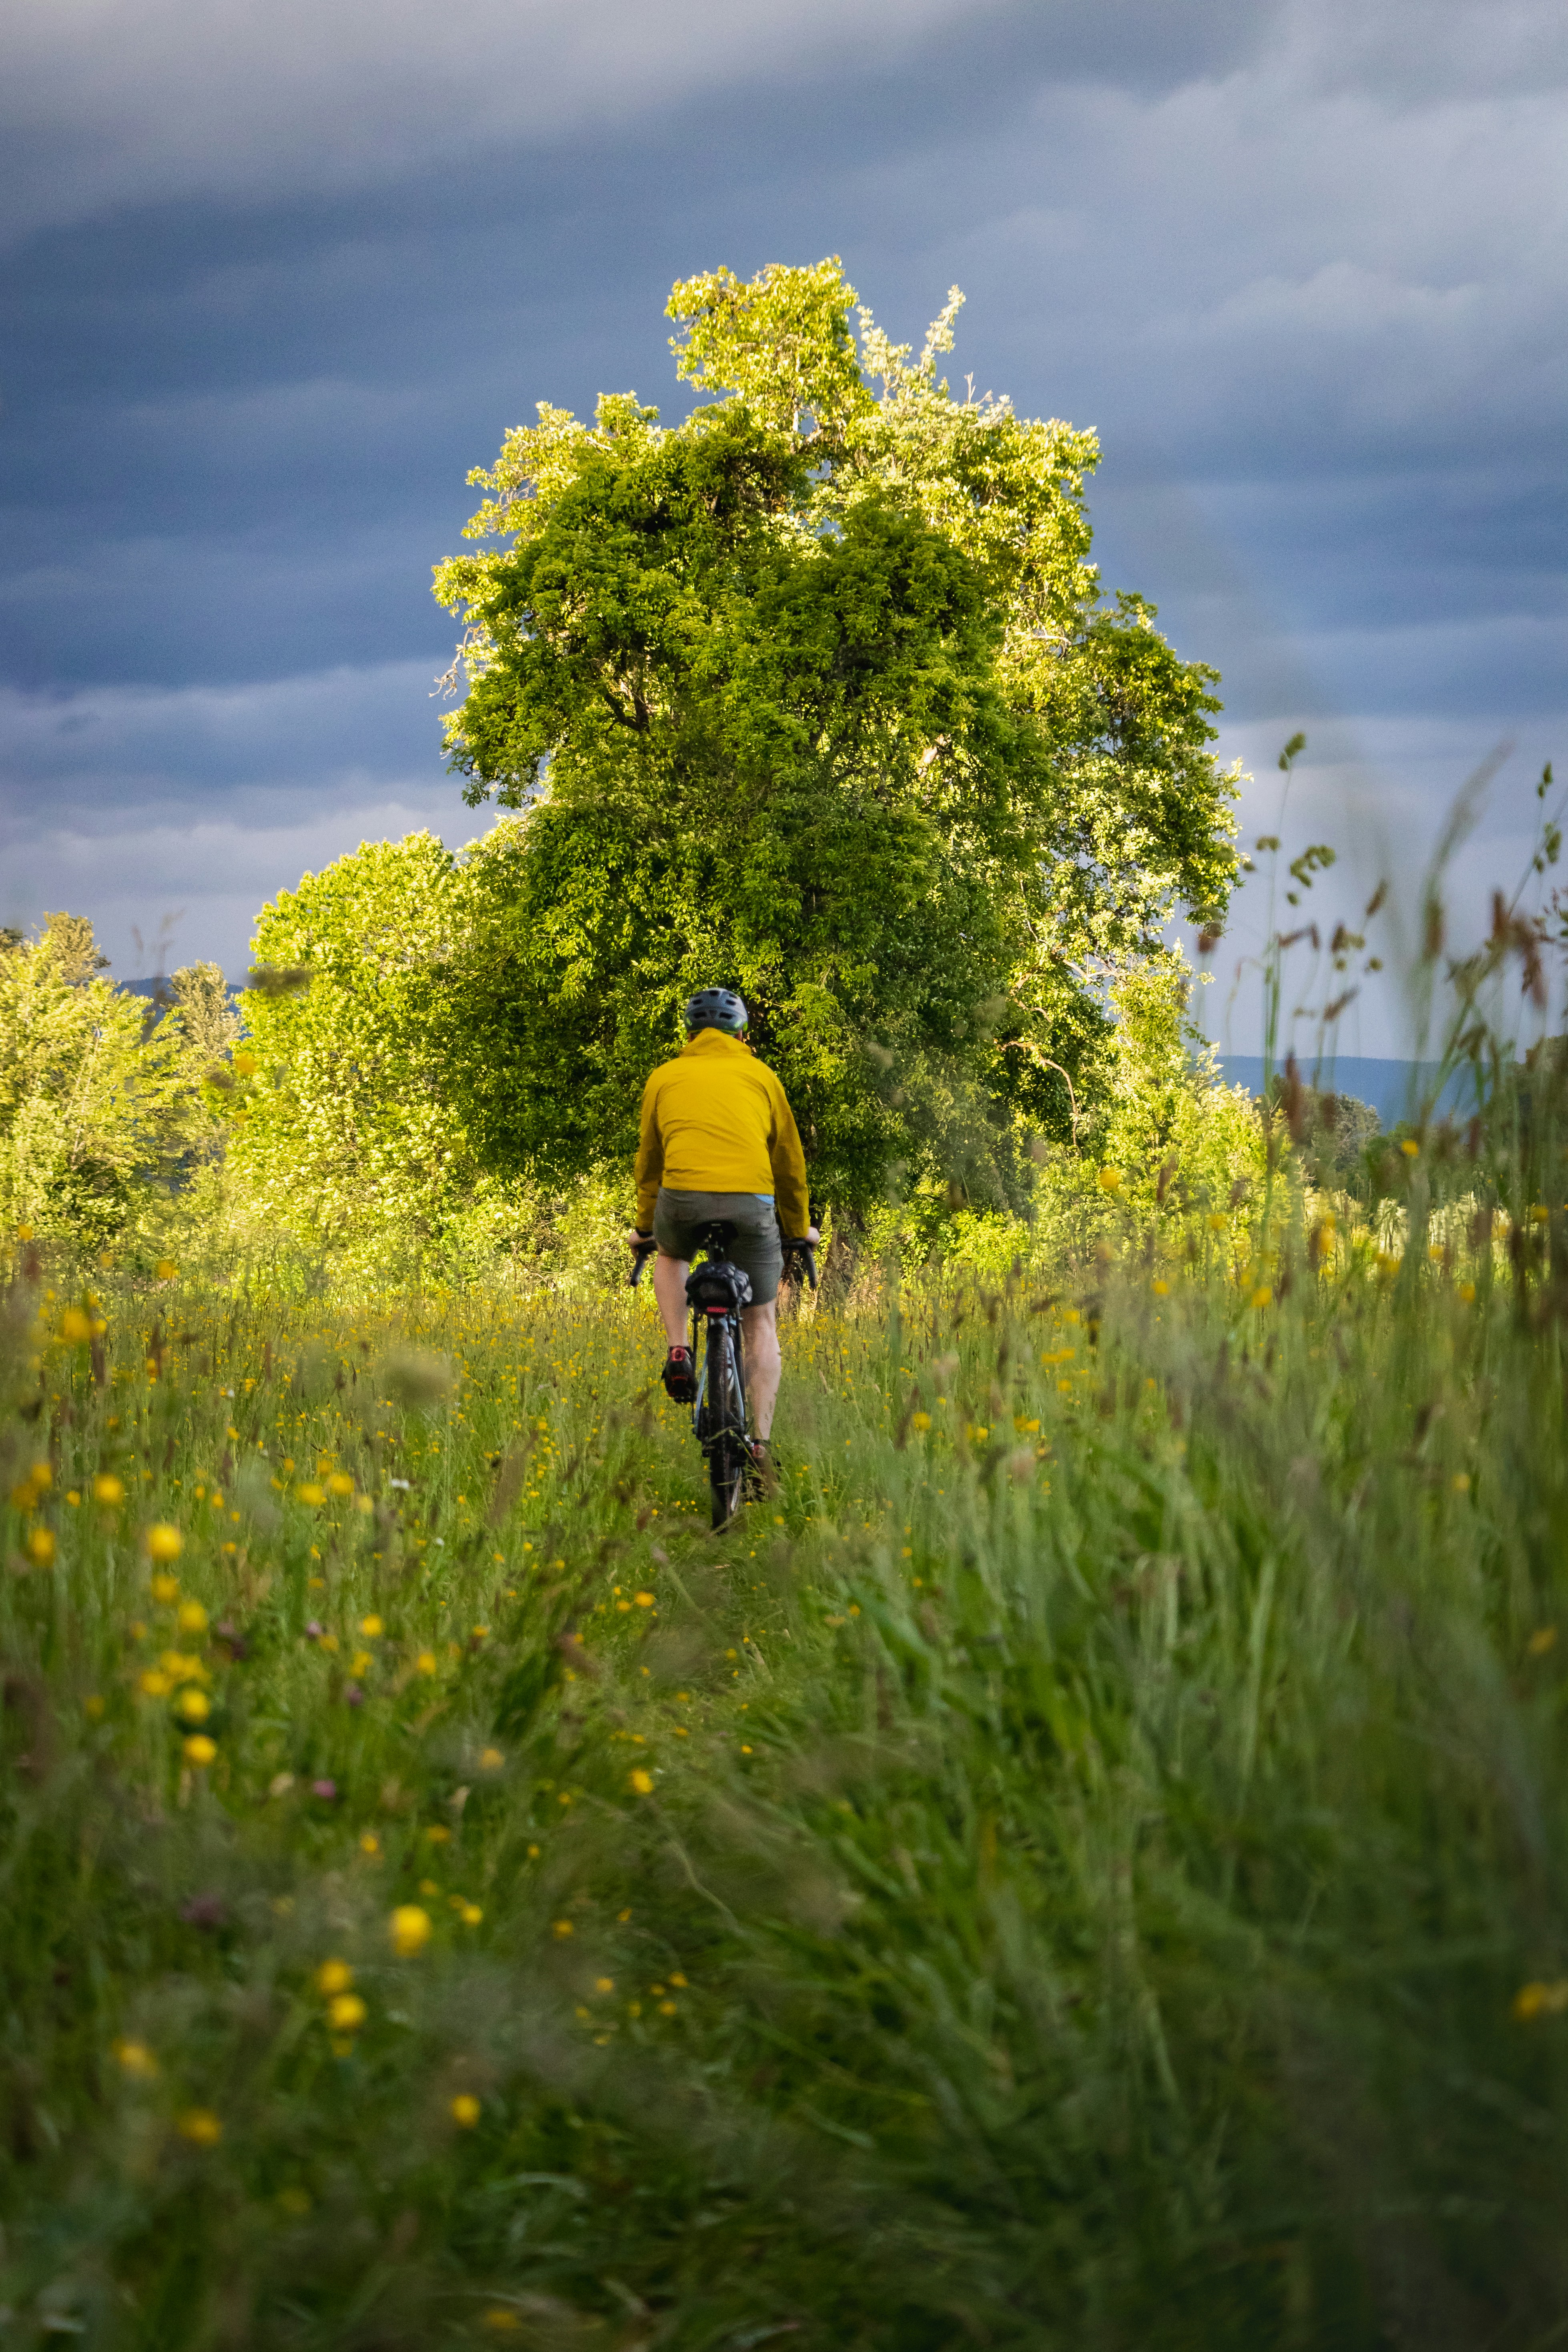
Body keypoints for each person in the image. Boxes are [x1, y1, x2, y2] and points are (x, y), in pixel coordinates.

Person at [627, 988, 818, 1466]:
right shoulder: (762, 1076)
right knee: (759, 1319)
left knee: (671, 1256)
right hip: (752, 1203)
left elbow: (650, 1162)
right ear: (744, 1033)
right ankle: (760, 1442)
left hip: (682, 1199)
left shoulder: (664, 1076)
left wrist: (644, 1227)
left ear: (689, 1035)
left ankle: (677, 1351)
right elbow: (789, 1164)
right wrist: (800, 1228)